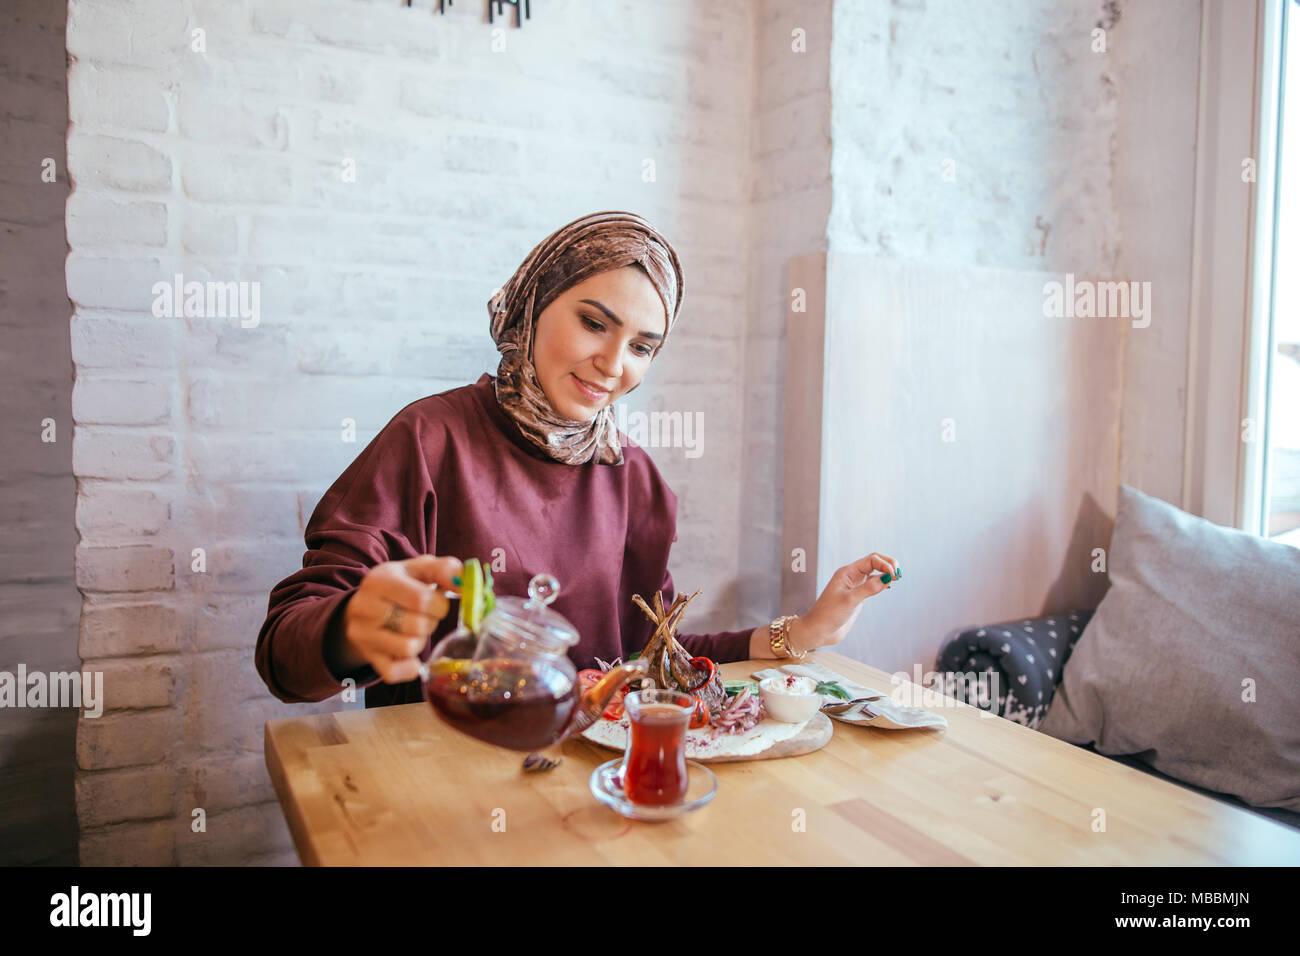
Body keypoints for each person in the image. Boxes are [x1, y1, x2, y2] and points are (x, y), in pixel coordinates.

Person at [254, 210, 899, 708]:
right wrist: (348, 627)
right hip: (445, 795)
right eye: (595, 323)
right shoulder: (431, 441)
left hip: (594, 800)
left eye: (643, 347)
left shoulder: (632, 476)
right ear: (533, 306)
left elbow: (649, 655)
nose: (614, 366)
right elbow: (284, 651)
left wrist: (803, 633)